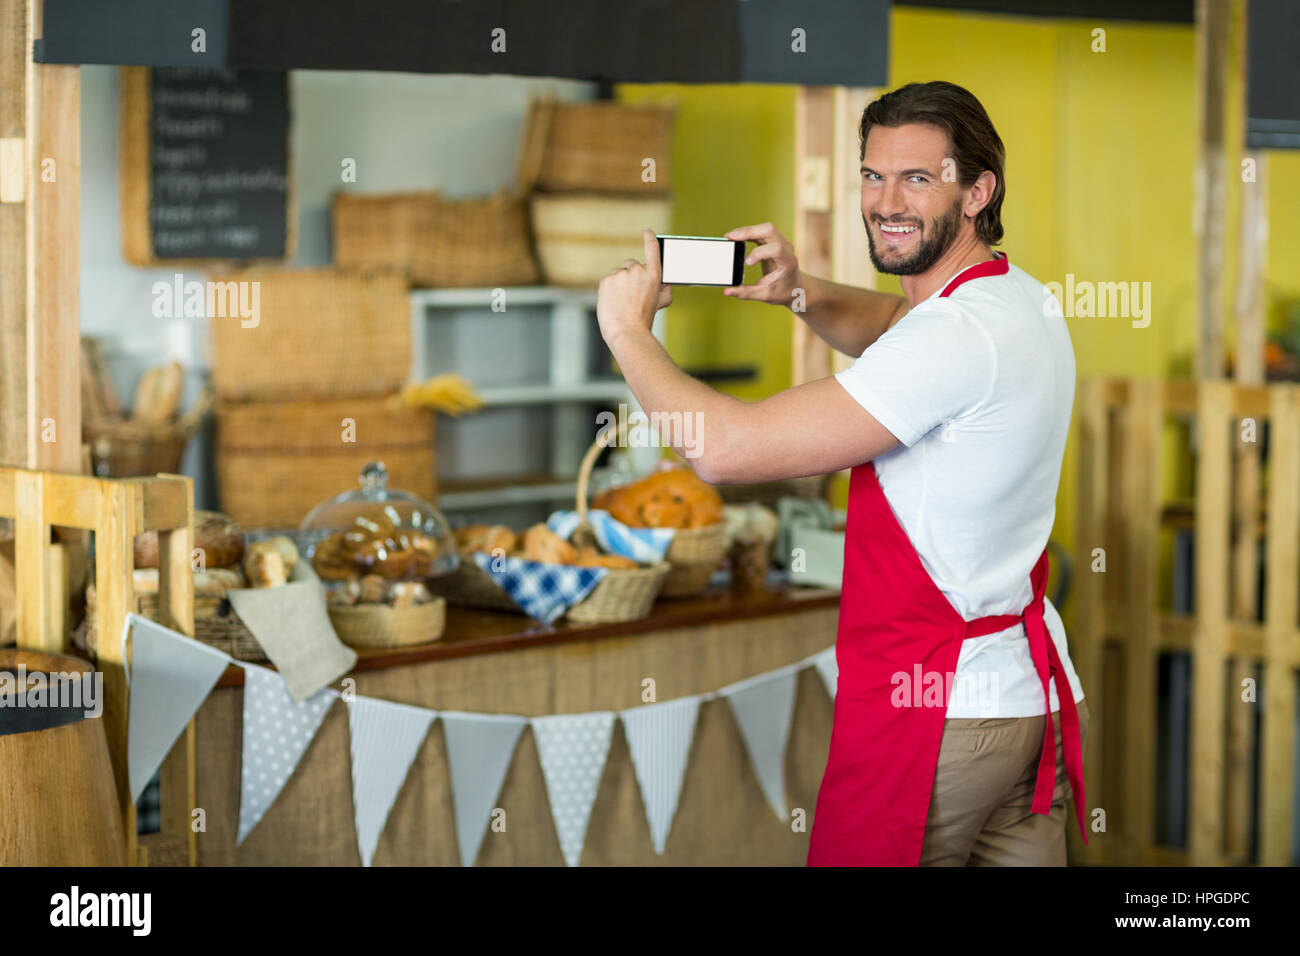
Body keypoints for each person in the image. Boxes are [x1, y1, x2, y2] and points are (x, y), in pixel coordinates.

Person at [594, 80, 1088, 866]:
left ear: (977, 190)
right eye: (872, 175)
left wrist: (627, 334)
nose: (885, 200)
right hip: (1028, 702)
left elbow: (726, 448)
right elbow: (903, 327)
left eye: (918, 179)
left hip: (935, 717)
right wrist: (800, 293)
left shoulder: (951, 339)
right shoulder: (1018, 301)